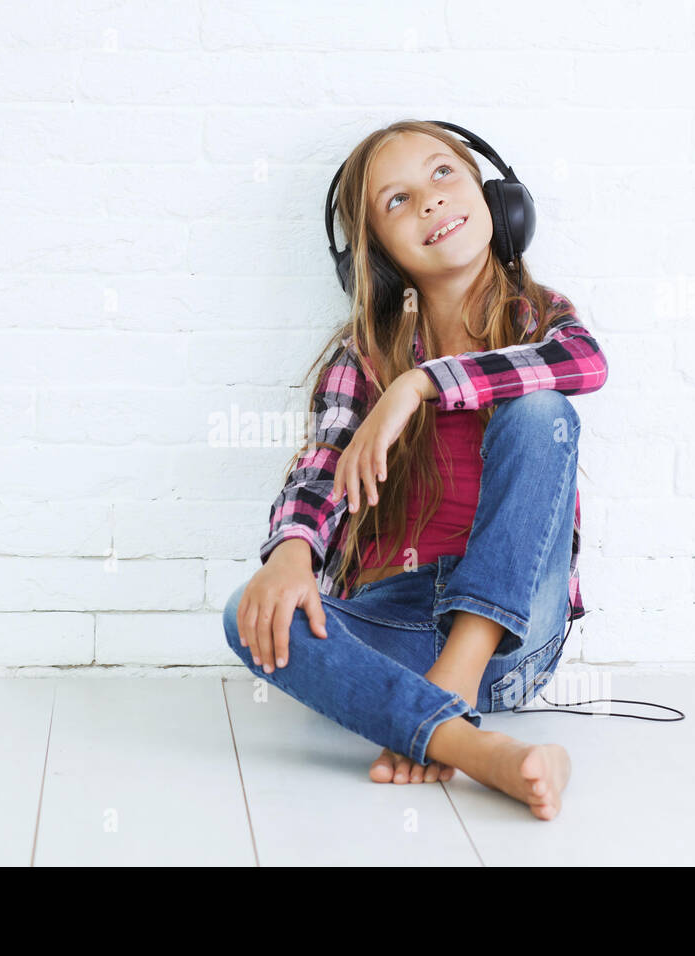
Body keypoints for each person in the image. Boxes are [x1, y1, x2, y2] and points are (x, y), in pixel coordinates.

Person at [222, 120, 609, 821]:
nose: (429, 202)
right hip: (399, 624)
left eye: (442, 175)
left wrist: (420, 384)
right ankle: (471, 746)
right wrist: (288, 556)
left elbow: (586, 365)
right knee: (246, 614)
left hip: (515, 640)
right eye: (396, 201)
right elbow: (319, 470)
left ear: (496, 199)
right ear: (375, 259)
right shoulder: (363, 356)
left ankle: (450, 686)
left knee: (540, 410)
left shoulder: (539, 317)